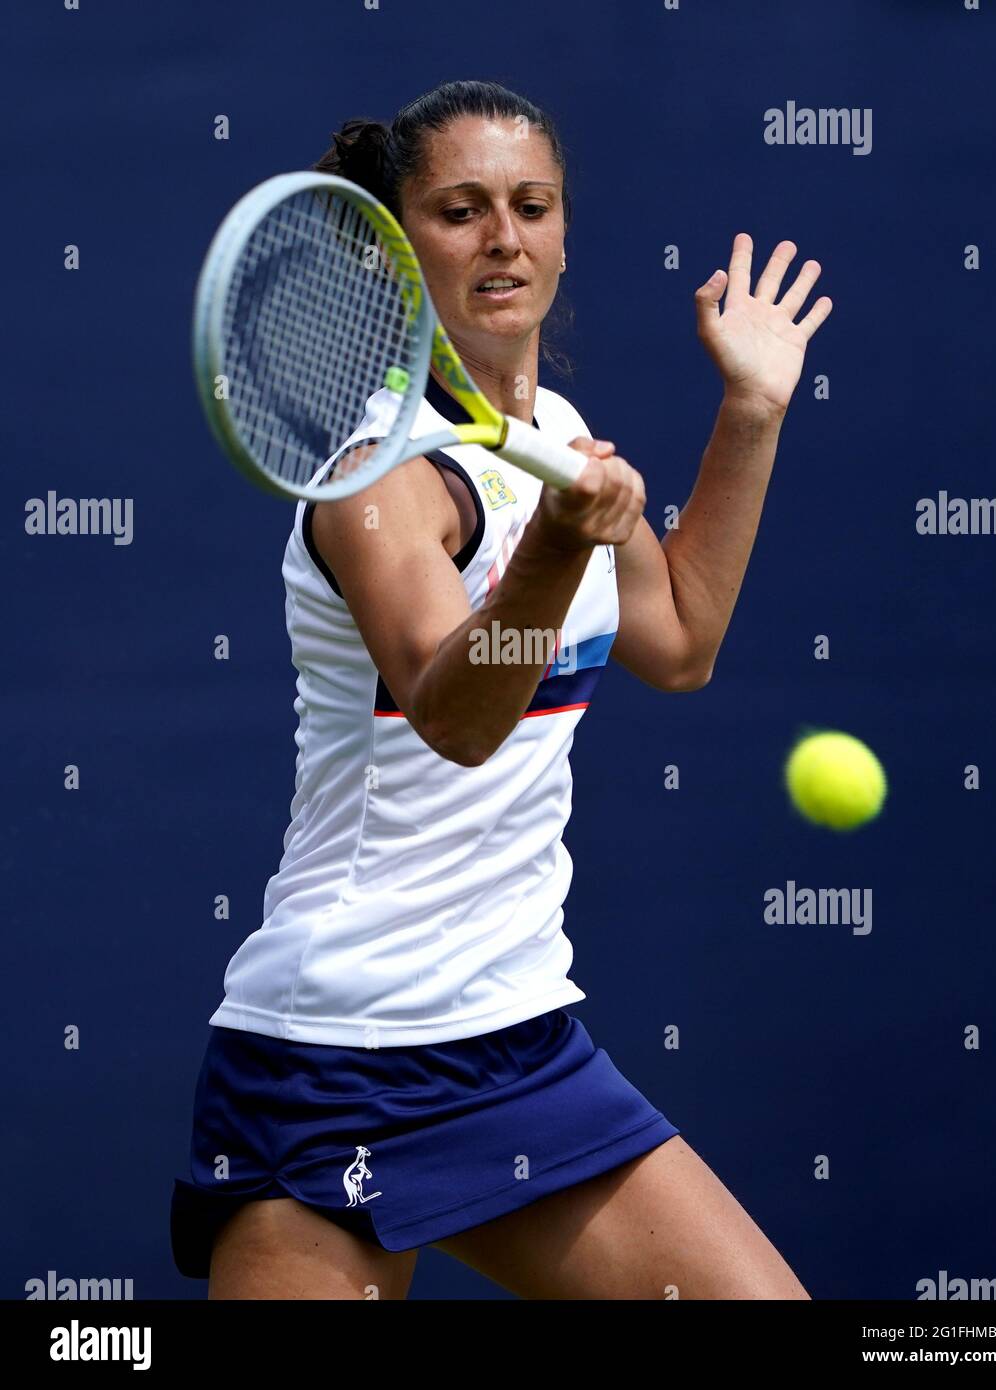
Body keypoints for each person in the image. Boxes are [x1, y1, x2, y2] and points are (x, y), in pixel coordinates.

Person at [171, 79, 831, 1300]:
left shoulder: (564, 432)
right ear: (396, 249)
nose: (504, 238)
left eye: (532, 206)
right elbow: (455, 714)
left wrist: (750, 410)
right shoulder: (371, 477)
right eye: (460, 210)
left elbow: (679, 640)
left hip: (516, 1036)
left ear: (567, 233)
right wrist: (556, 545)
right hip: (335, 1055)